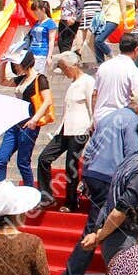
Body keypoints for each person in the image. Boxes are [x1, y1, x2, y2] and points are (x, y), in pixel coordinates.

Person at [59, 92, 138, 275]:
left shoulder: (109, 117)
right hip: (108, 176)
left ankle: (76, 274)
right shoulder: (133, 122)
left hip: (93, 173)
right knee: (97, 225)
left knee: (97, 222)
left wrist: (86, 174)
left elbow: (89, 148)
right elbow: (133, 153)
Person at [77, 112, 138, 275]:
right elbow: (120, 209)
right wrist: (99, 236)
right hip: (126, 242)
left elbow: (109, 201)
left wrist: (97, 232)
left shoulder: (131, 160)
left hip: (119, 241)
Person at [36, 52, 95, 210]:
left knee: (71, 166)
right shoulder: (73, 83)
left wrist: (92, 127)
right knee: (44, 158)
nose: (63, 72)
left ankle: (71, 202)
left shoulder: (88, 81)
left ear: (72, 66)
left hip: (81, 129)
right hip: (65, 128)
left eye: (64, 69)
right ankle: (46, 196)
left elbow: (92, 105)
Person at [0, 51, 53, 186]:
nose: (15, 67)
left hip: (29, 125)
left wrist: (34, 119)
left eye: (17, 64)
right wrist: (3, 64)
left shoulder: (40, 78)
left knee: (23, 162)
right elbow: (2, 81)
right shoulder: (21, 79)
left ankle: (30, 191)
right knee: (1, 159)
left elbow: (47, 100)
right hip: (15, 123)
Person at [93, 33, 138, 125]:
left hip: (99, 118)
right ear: (137, 49)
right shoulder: (134, 72)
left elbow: (94, 95)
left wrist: (93, 118)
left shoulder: (103, 66)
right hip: (120, 121)